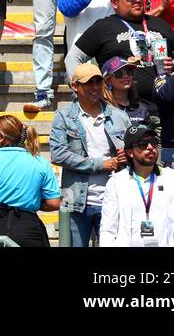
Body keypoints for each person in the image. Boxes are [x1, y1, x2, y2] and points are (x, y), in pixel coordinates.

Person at [49, 62, 131, 247]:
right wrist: (101, 164)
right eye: (88, 83)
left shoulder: (120, 116)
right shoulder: (63, 116)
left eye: (98, 82)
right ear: (75, 86)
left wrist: (128, 156)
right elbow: (58, 155)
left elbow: (135, 152)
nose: (95, 87)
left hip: (114, 198)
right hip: (74, 200)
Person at [98, 122, 174, 246]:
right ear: (130, 152)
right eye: (143, 144)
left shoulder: (172, 177)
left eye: (153, 143)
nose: (150, 147)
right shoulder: (117, 181)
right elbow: (108, 229)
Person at [0, 114, 60, 246]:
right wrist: (33, 205)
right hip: (28, 227)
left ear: (2, 137)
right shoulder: (40, 162)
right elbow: (54, 203)